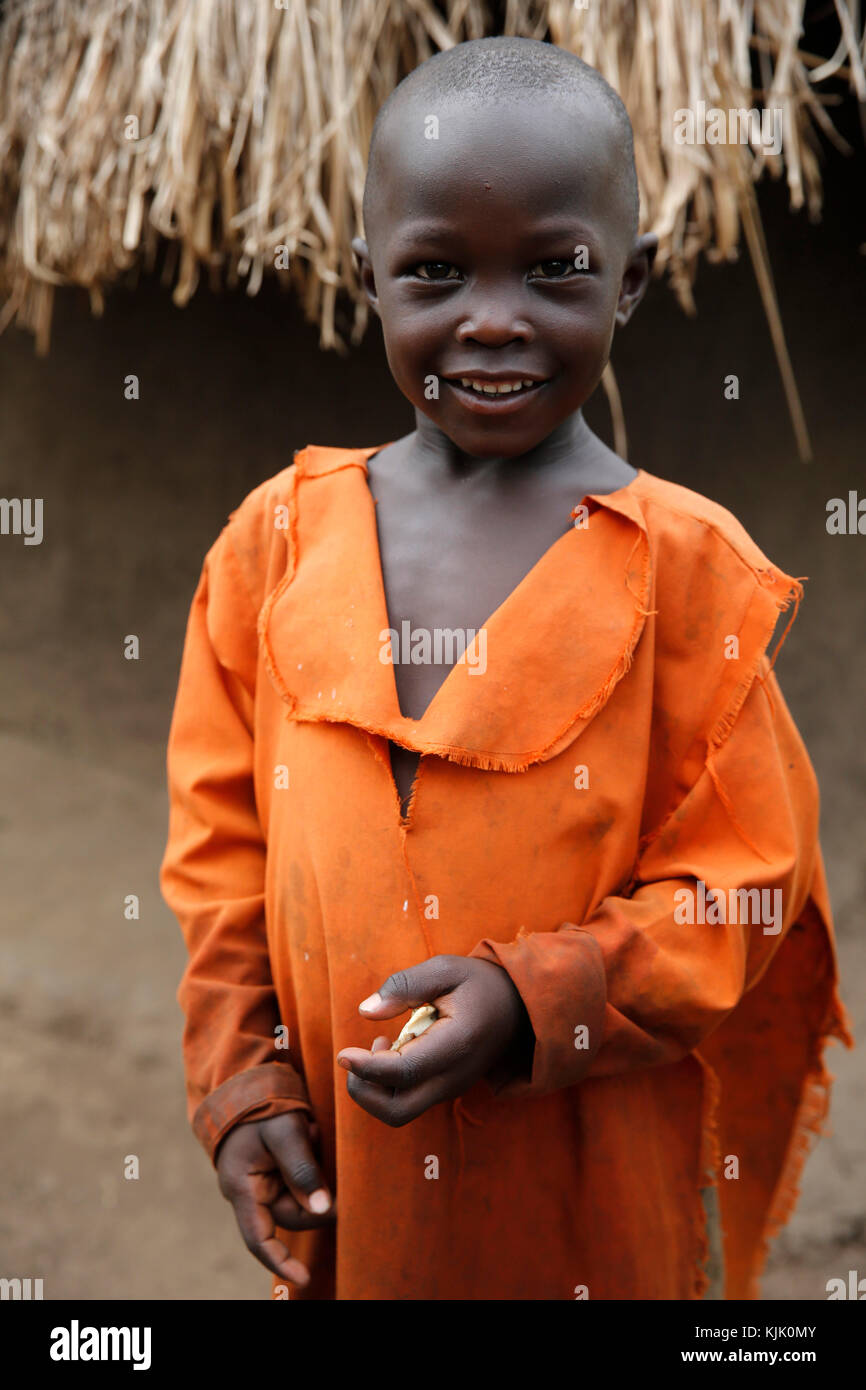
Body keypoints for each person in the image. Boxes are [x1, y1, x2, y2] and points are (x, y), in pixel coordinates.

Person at [160, 36, 851, 1300]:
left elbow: (742, 885)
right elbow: (218, 853)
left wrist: (536, 999)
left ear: (630, 281)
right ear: (366, 277)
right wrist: (242, 1072)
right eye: (434, 271)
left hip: (584, 1193)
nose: (491, 317)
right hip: (351, 1173)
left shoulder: (686, 570)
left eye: (552, 269)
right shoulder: (275, 542)